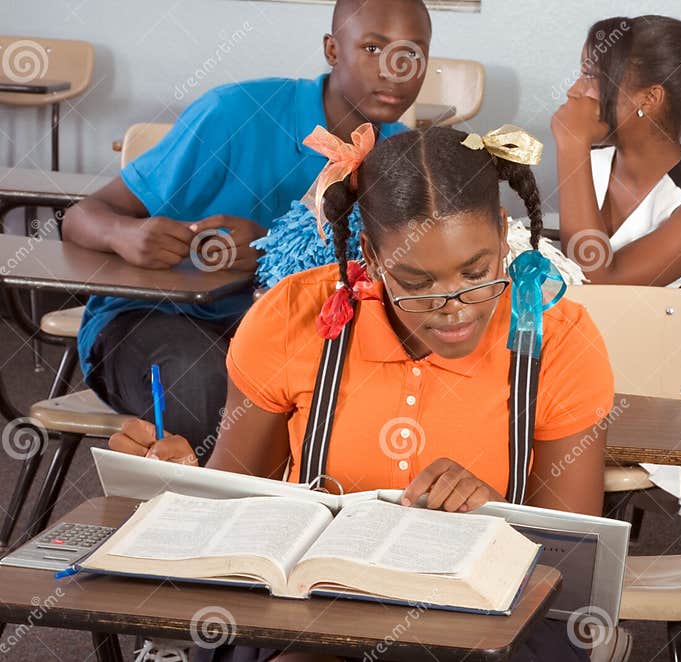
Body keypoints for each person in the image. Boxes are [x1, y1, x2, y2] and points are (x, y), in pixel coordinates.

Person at [109, 125, 616, 661]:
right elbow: (237, 497)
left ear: (503, 230)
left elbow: (572, 562)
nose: (455, 307)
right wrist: (180, 483)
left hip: (485, 626)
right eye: (417, 283)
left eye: (478, 271)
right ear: (371, 256)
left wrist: (494, 516)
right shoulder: (294, 316)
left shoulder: (554, 338)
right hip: (315, 619)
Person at [61, 0, 430, 461]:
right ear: (333, 50)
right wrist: (125, 235)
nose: (394, 70)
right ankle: (211, 518)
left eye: (412, 53)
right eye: (372, 48)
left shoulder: (403, 157)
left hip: (291, 337)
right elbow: (81, 216)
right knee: (207, 384)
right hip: (156, 321)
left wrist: (269, 251)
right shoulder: (233, 114)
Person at [552, 15, 681, 537]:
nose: (577, 91)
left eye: (593, 78)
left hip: (680, 400)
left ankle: (563, 582)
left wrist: (569, 148)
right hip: (600, 377)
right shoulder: (600, 167)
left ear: (648, 98)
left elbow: (597, 277)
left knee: (528, 429)